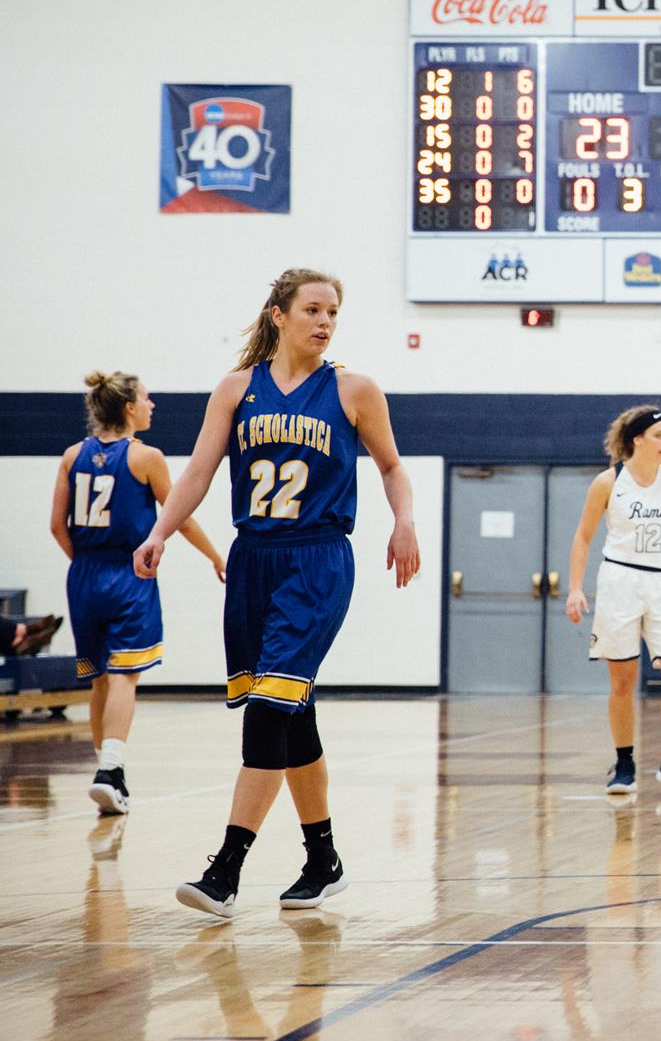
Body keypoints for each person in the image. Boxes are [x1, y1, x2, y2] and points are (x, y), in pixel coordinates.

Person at [134, 268, 420, 918]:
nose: (324, 321)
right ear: (278, 315)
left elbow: (393, 464)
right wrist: (159, 532)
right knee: (292, 709)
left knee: (269, 707)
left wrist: (403, 518)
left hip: (318, 557)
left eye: (333, 312)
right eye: (313, 309)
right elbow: (201, 470)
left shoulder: (353, 388)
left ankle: (226, 870)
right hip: (253, 559)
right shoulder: (238, 390)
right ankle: (323, 858)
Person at [48, 371, 225, 815]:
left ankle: (108, 773)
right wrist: (216, 557)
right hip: (128, 575)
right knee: (126, 674)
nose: (152, 406)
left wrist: (86, 566)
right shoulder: (146, 457)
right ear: (128, 407)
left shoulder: (72, 455)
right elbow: (180, 517)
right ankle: (110, 770)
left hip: (84, 575)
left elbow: (57, 526)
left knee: (99, 679)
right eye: (147, 399)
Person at [563, 406, 661, 796]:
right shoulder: (608, 482)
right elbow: (582, 536)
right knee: (623, 681)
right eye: (660, 435)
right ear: (638, 439)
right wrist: (576, 588)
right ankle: (624, 763)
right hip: (620, 581)